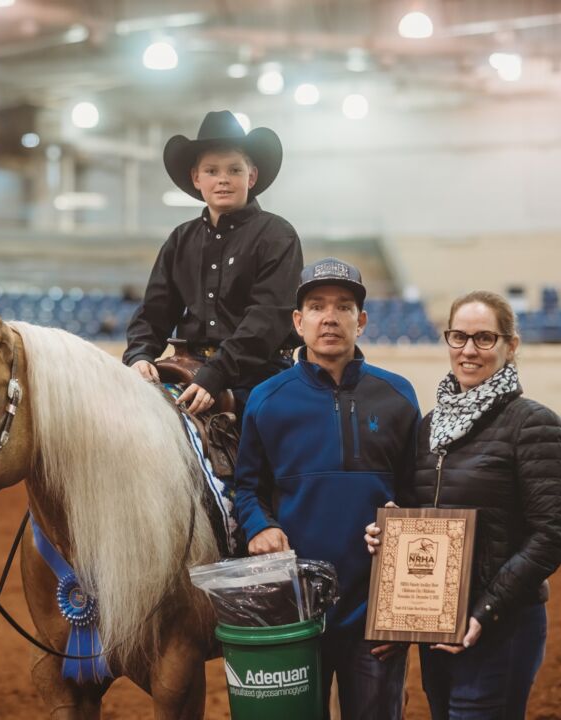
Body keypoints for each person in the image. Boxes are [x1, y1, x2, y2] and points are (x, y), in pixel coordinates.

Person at [365, 290, 561, 720]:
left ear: (510, 346)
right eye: (458, 337)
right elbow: (416, 515)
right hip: (438, 625)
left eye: (484, 338)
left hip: (501, 625)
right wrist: (387, 536)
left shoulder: (533, 423)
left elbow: (551, 535)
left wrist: (485, 611)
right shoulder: (429, 428)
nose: (468, 350)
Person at [234, 258, 420, 719]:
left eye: (343, 306)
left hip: (375, 616)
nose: (330, 318)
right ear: (298, 322)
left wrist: (403, 611)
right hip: (295, 612)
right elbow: (247, 489)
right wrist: (259, 526)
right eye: (317, 307)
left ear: (362, 320)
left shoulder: (398, 396)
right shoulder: (266, 398)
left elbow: (418, 496)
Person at [123, 110, 303, 416]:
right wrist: (140, 355)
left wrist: (216, 374)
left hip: (259, 374)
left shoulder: (277, 236)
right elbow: (154, 311)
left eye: (234, 169)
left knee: (270, 427)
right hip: (188, 366)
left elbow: (266, 320)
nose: (223, 179)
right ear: (197, 178)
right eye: (211, 171)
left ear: (251, 176)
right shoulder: (181, 240)